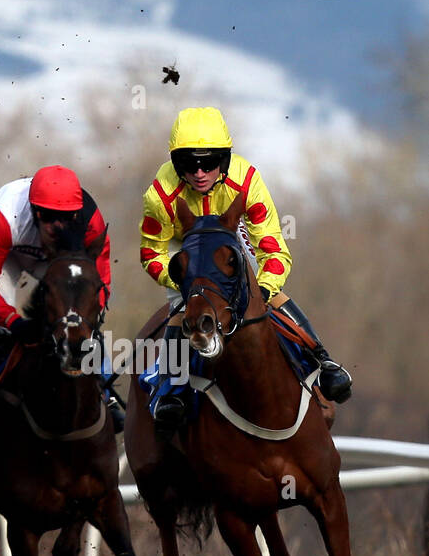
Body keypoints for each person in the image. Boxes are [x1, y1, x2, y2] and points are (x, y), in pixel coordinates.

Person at [138, 106, 351, 433]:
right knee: (182, 305)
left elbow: (273, 247)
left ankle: (324, 363)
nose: (198, 173)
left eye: (208, 163)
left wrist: (264, 288)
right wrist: (184, 280)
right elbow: (151, 252)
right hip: (186, 247)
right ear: (174, 164)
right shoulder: (160, 194)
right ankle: (172, 387)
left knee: (271, 293)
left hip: (229, 239)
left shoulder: (246, 180)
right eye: (188, 163)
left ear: (224, 160)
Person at [0, 165, 116, 436]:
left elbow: (99, 284)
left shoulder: (91, 222)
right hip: (8, 255)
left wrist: (87, 316)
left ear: (77, 215)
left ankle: (105, 391)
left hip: (59, 260)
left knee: (80, 317)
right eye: (47, 217)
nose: (56, 225)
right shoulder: (4, 216)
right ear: (34, 211)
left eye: (65, 218)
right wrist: (13, 321)